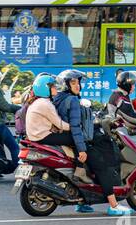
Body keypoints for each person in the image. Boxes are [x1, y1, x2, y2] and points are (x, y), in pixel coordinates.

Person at [55, 68, 131, 216]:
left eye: (78, 82)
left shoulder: (59, 99)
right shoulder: (73, 101)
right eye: (73, 83)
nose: (77, 85)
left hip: (66, 140)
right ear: (66, 85)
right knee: (101, 166)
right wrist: (82, 149)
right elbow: (76, 127)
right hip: (77, 141)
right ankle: (113, 205)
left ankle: (83, 203)